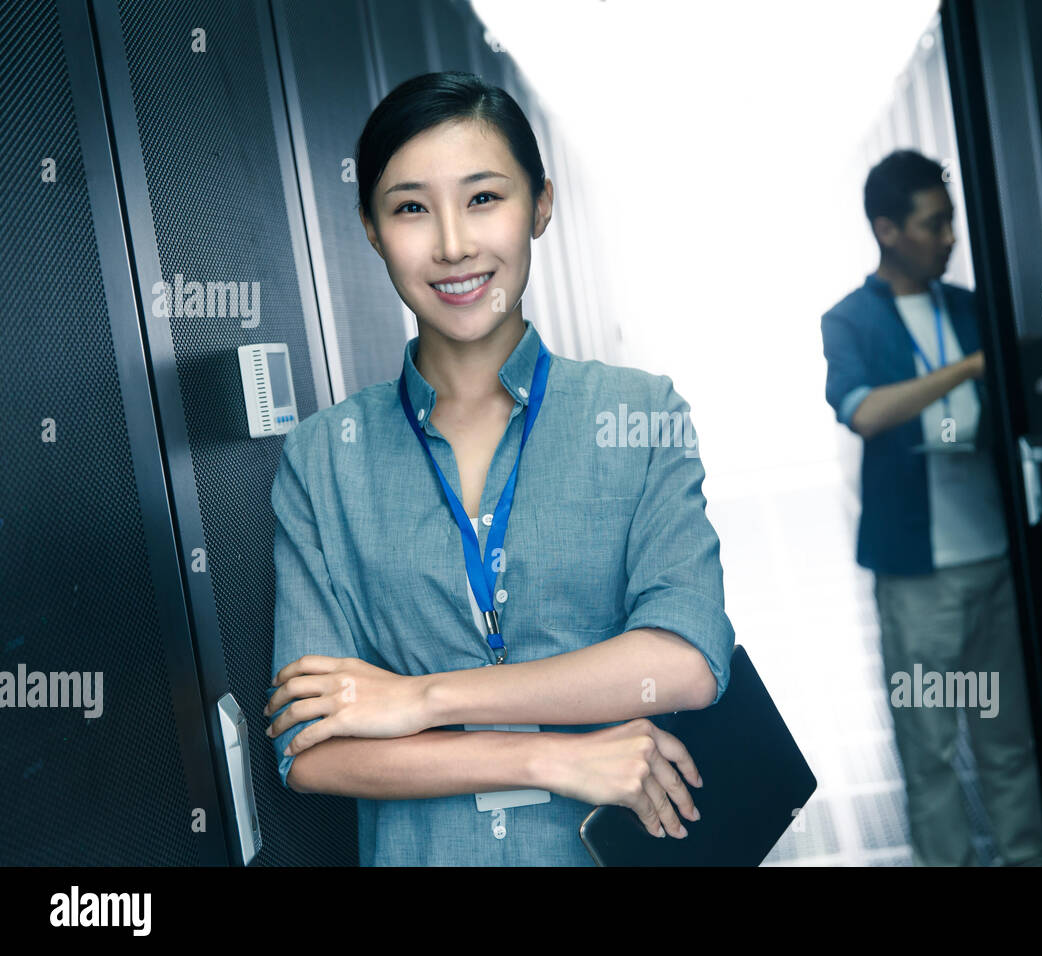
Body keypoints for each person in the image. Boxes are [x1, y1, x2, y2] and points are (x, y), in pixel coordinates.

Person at [263, 71, 734, 866]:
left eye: (484, 198)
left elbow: (683, 661)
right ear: (373, 232)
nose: (452, 244)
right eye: (410, 207)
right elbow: (311, 749)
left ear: (540, 205)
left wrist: (420, 700)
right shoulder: (321, 458)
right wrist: (544, 755)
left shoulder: (639, 413)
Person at [820, 149, 1042, 866]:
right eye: (934, 223)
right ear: (888, 230)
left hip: (996, 558)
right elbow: (864, 413)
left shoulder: (972, 307)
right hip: (919, 577)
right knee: (930, 752)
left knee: (1010, 741)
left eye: (950, 222)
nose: (950, 237)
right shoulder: (849, 321)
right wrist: (968, 368)